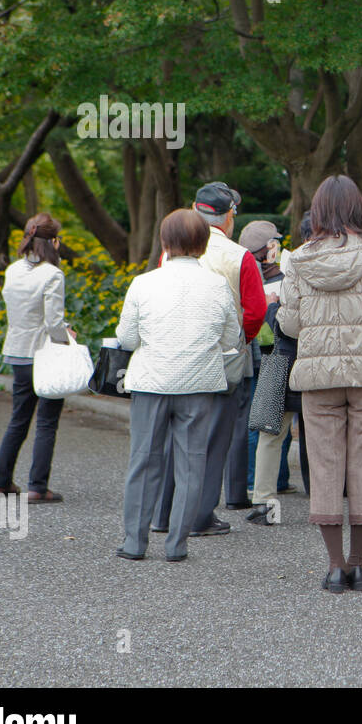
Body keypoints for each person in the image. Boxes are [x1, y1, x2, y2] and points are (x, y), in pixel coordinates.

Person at [278, 175, 362, 593]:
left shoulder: (297, 260)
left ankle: (334, 567)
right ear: (359, 209)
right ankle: (358, 564)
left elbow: (291, 324)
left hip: (318, 377)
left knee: (325, 465)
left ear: (317, 211)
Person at [115, 209, 242, 562]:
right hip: (199, 383)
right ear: (203, 245)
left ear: (164, 242)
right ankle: (177, 545)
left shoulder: (143, 283)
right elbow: (232, 337)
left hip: (151, 381)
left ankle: (134, 543)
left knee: (143, 460)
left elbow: (126, 338)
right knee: (191, 463)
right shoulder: (217, 285)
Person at [151, 181, 266, 537]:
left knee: (175, 435)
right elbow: (255, 311)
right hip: (223, 360)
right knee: (216, 439)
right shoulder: (240, 256)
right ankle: (199, 516)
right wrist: (240, 343)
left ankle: (162, 513)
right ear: (229, 216)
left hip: (175, 357)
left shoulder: (169, 253)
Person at [0, 213, 72, 503]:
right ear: (54, 241)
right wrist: (67, 337)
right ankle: (38, 486)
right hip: (44, 356)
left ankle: (1, 481)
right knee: (47, 422)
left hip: (17, 351)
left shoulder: (13, 270)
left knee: (18, 419)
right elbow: (52, 323)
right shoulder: (53, 274)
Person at [241, 221, 296, 508]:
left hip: (261, 356)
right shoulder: (281, 279)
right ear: (270, 248)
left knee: (269, 424)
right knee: (265, 425)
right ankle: (256, 484)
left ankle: (275, 482)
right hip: (272, 357)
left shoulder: (242, 273)